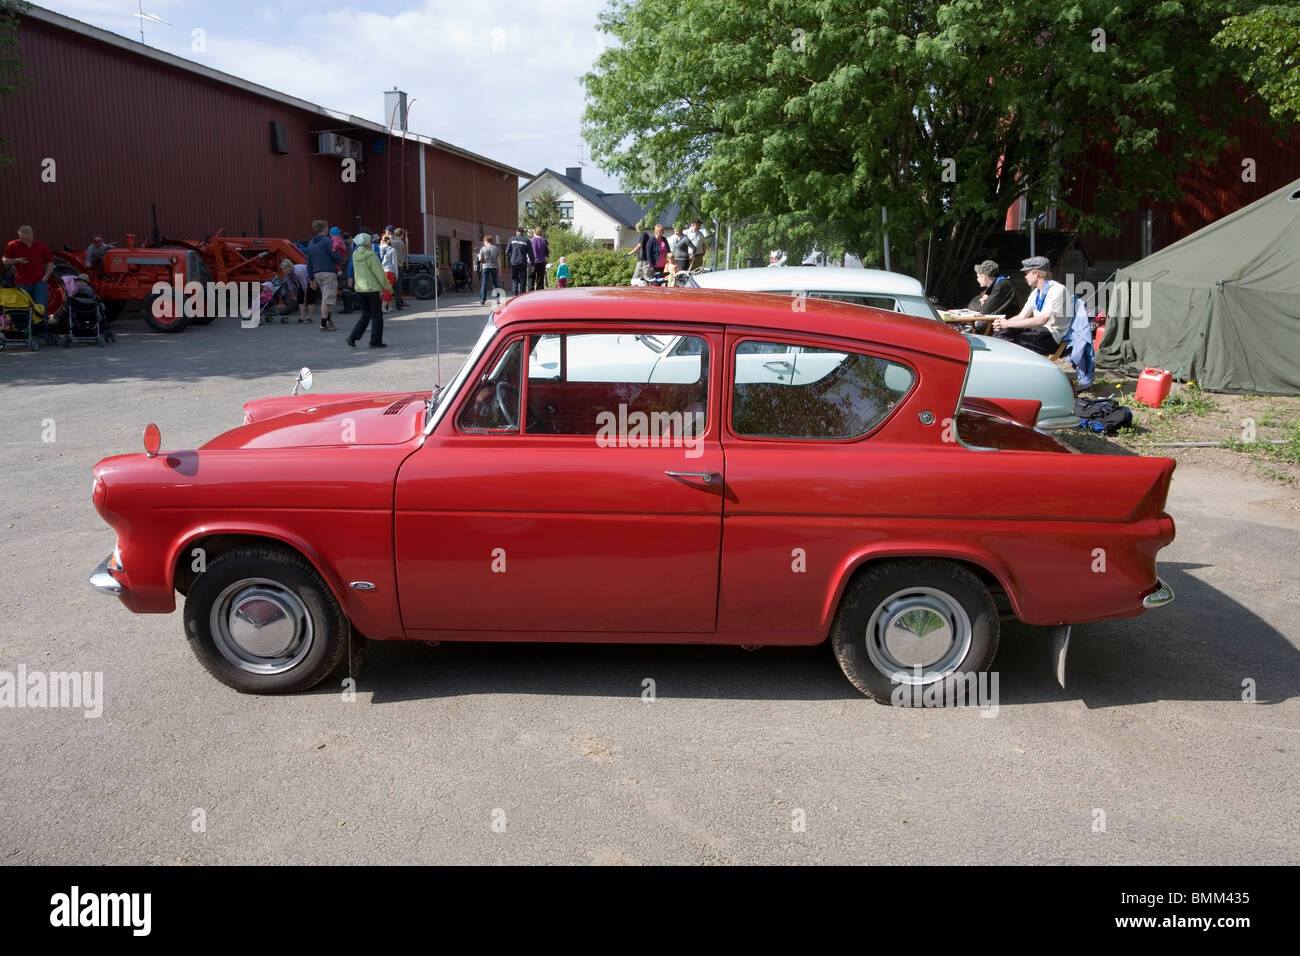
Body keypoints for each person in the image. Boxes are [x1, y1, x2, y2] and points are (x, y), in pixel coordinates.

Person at [993, 256, 1068, 355]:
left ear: (1036, 274)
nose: (1025, 276)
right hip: (1038, 331)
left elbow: (1041, 320)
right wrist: (1003, 324)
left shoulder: (1057, 289)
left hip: (1052, 337)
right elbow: (1021, 316)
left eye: (1027, 273)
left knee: (1009, 341)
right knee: (1002, 333)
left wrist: (1007, 324)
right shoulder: (1036, 292)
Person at [345, 233, 391, 348]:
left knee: (365, 314)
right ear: (366, 243)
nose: (371, 243)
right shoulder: (371, 255)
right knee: (377, 316)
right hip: (372, 288)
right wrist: (388, 287)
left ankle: (353, 337)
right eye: (370, 241)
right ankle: (375, 341)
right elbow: (379, 273)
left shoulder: (355, 254)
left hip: (360, 288)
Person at [2, 226, 55, 321]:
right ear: (19, 235)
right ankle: (26, 330)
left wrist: (46, 276)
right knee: (23, 308)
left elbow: (50, 262)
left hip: (39, 281)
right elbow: (5, 261)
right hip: (22, 282)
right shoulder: (12, 245)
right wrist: (16, 260)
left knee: (41, 306)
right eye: (21, 238)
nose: (24, 240)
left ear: (32, 235)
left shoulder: (41, 246)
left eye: (26, 238)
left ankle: (42, 330)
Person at [305, 219, 340, 331]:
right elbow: (336, 256)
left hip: (316, 273)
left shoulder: (311, 243)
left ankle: (328, 321)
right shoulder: (327, 241)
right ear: (324, 228)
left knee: (327, 297)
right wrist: (339, 260)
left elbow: (309, 262)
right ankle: (323, 323)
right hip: (328, 271)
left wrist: (311, 278)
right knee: (327, 299)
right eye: (327, 226)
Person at [272, 258, 309, 322]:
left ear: (290, 267)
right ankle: (302, 317)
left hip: (309, 279)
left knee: (309, 299)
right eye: (282, 269)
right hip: (300, 282)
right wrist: (293, 295)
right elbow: (290, 284)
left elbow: (304, 285)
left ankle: (309, 318)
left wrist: (305, 296)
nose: (284, 271)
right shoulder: (287, 273)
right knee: (300, 299)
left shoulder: (298, 272)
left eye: (285, 269)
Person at [506, 227, 533, 296]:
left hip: (514, 262)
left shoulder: (512, 239)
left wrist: (511, 258)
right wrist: (532, 264)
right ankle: (522, 295)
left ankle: (515, 295)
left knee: (514, 279)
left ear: (516, 232)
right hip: (522, 262)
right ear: (523, 233)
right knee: (522, 280)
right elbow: (531, 253)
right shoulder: (527, 240)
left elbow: (507, 251)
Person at [477, 235, 500, 304]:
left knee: (484, 283)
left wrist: (478, 256)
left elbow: (480, 259)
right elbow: (499, 260)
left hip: (485, 267)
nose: (483, 243)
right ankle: (497, 299)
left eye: (484, 241)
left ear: (486, 240)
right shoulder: (496, 248)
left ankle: (482, 299)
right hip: (494, 267)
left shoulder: (483, 249)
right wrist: (500, 269)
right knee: (495, 283)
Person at [379, 236, 398, 313]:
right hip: (389, 271)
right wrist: (396, 274)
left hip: (381, 271)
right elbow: (394, 263)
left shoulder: (378, 249)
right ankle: (383, 307)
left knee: (386, 289)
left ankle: (390, 306)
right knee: (388, 290)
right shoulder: (392, 250)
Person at [391, 227, 408, 309]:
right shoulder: (401, 243)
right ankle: (398, 302)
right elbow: (402, 255)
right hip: (398, 265)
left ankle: (388, 303)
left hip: (391, 265)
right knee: (398, 285)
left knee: (390, 284)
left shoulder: (391, 241)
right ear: (401, 235)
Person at [529, 226, 550, 291]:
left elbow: (527, 251)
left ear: (535, 232)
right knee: (540, 278)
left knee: (531, 278)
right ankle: (539, 292)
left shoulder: (530, 240)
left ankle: (530, 292)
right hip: (542, 262)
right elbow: (549, 251)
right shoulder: (544, 241)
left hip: (532, 262)